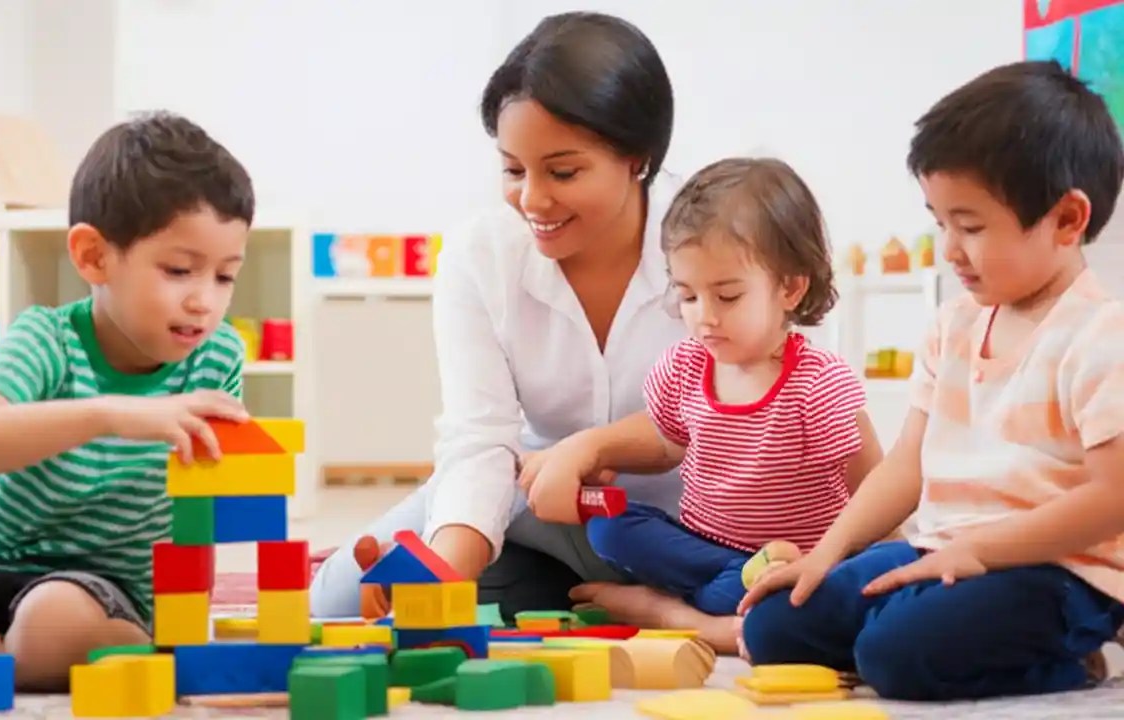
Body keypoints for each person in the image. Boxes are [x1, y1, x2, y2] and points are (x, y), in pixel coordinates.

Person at [737, 59, 1124, 702]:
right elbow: (906, 465)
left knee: (894, 656)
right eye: (940, 221)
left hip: (1055, 571)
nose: (948, 248)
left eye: (970, 227)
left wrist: (982, 553)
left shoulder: (1100, 337)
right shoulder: (955, 324)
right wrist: (823, 555)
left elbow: (1112, 498)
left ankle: (1070, 659)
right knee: (777, 626)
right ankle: (923, 632)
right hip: (941, 551)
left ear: (1066, 220)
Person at [309, 11, 689, 619]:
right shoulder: (479, 255)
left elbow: (752, 413)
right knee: (337, 603)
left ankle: (582, 591)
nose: (532, 199)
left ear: (637, 157)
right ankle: (542, 584)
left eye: (563, 171)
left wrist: (593, 449)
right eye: (513, 169)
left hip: (678, 526)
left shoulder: (713, 245)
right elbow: (480, 438)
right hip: (527, 504)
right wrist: (443, 574)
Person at [0, 112, 254, 694]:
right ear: (93, 256)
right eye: (180, 270)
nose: (204, 302)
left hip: (97, 586)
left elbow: (204, 505)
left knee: (48, 625)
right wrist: (108, 413)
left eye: (225, 277)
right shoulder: (46, 340)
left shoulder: (217, 358)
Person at [521, 157, 883, 653]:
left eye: (728, 296)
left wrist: (867, 561)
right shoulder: (686, 365)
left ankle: (667, 612)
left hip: (795, 560)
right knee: (610, 531)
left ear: (790, 288)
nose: (704, 318)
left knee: (774, 591)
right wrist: (592, 454)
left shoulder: (818, 385)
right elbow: (667, 445)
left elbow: (874, 486)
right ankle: (724, 599)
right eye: (688, 296)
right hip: (704, 549)